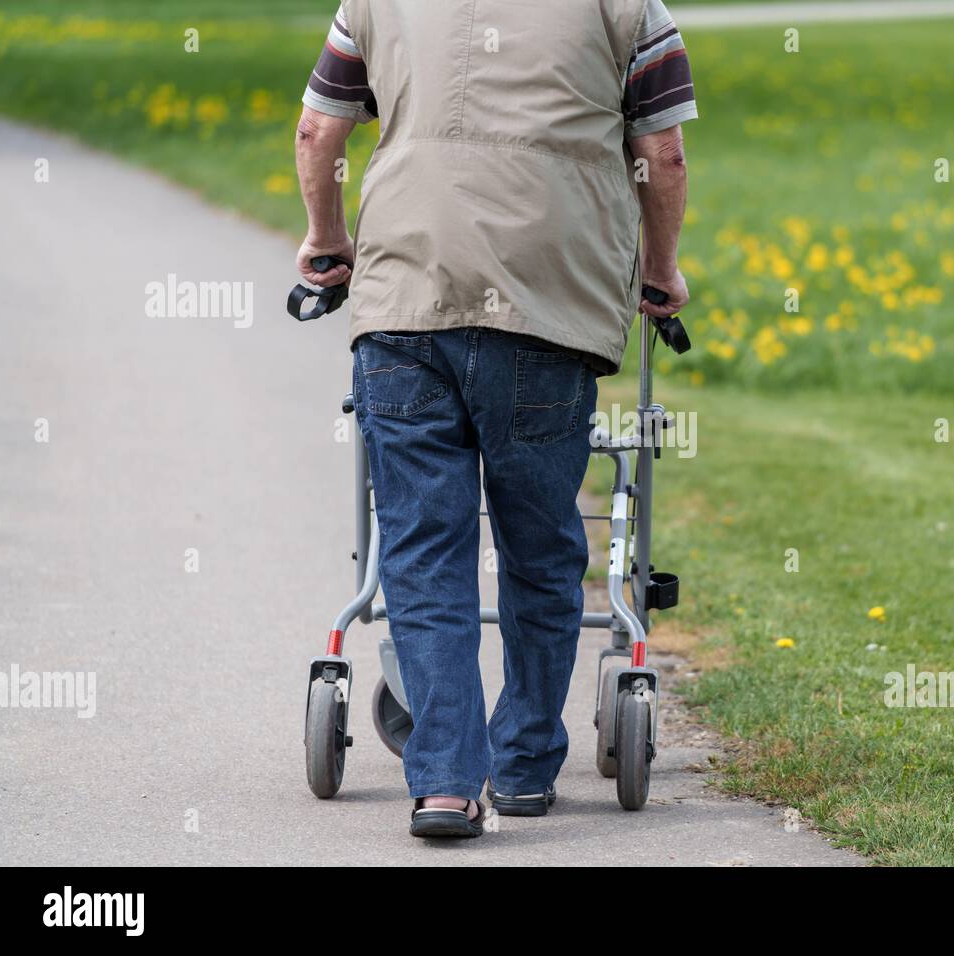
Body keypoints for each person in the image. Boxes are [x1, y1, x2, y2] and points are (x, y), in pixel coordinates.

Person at [293, 0, 697, 838]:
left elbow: (318, 134)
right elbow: (661, 150)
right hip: (547, 309)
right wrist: (659, 271)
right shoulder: (629, 8)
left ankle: (443, 783)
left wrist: (326, 243)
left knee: (421, 545)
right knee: (543, 545)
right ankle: (520, 769)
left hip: (405, 303)